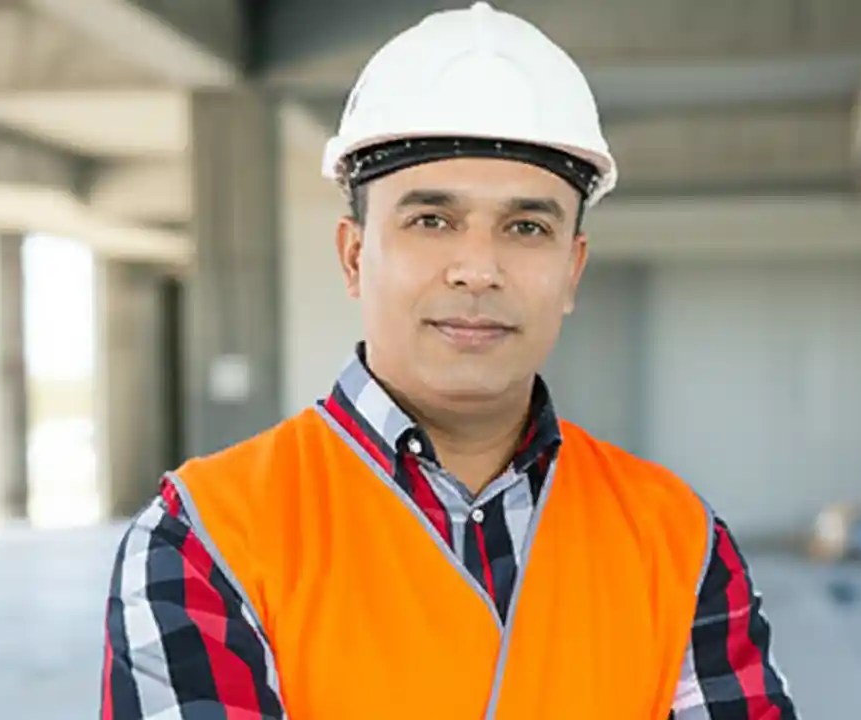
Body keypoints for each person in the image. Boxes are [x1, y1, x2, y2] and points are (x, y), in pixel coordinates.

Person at [100, 3, 797, 718]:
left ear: (571, 271)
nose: (478, 269)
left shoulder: (676, 542)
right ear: (353, 255)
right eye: (431, 221)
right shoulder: (206, 538)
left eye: (526, 227)